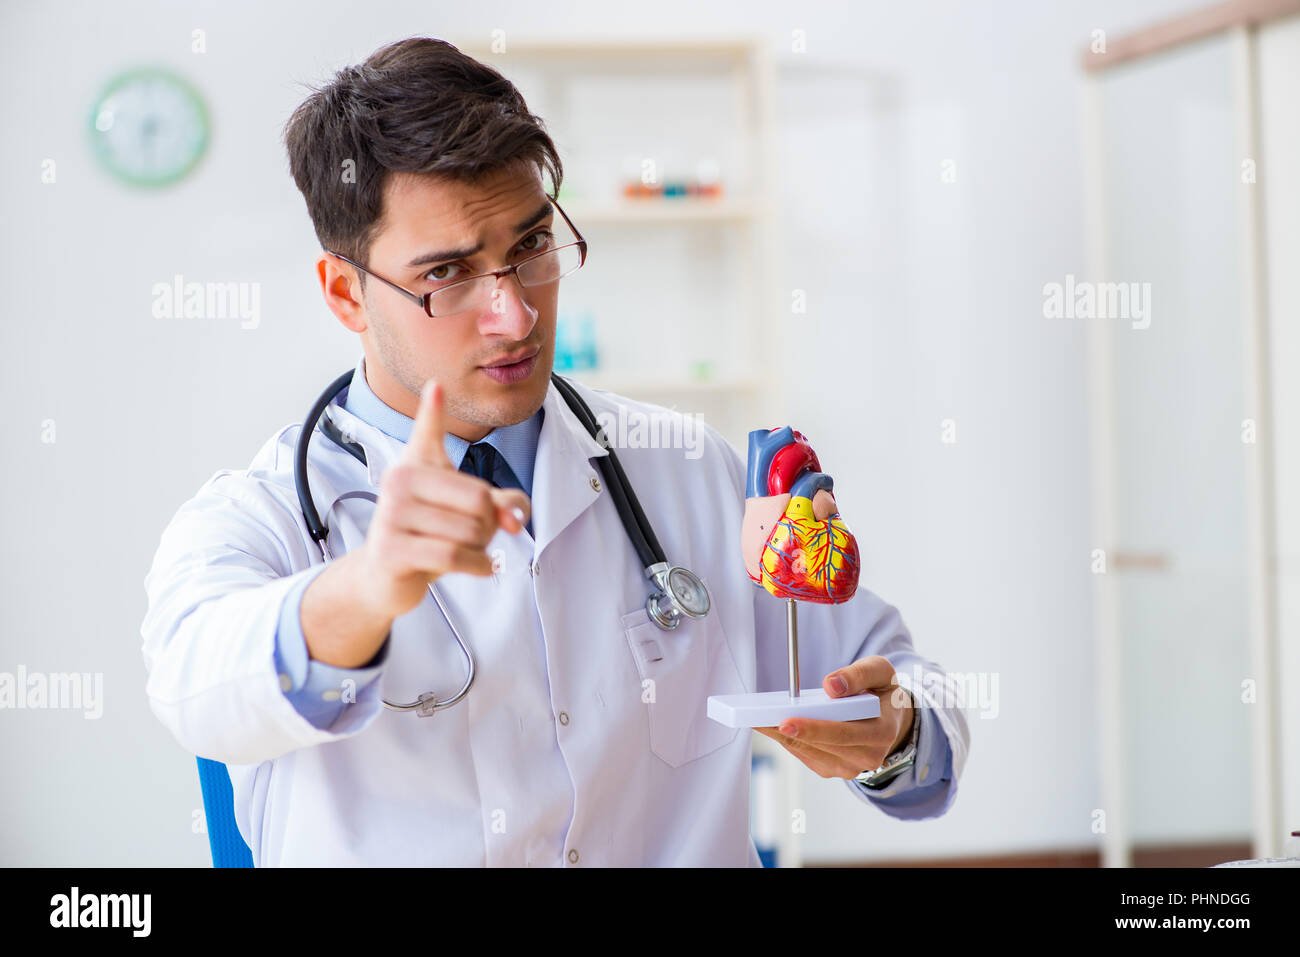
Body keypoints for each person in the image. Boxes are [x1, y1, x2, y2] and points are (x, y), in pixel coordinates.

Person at [140, 36, 969, 867]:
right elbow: (195, 684)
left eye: (531, 246)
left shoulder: (685, 466)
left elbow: (911, 689)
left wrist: (894, 737)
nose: (517, 315)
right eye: (449, 275)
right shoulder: (265, 517)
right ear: (346, 293)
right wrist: (364, 589)